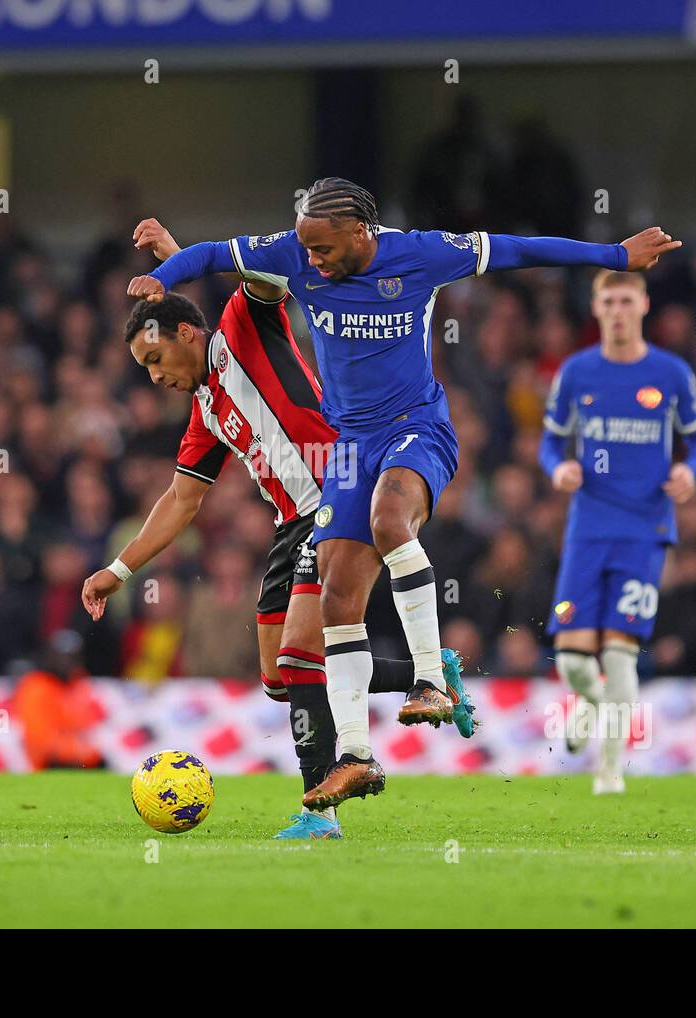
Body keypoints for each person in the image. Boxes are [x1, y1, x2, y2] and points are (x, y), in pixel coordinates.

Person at [126, 178, 679, 808]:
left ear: (362, 233)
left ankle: (429, 680)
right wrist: (164, 273)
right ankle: (358, 757)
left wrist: (613, 257)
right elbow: (211, 257)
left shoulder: (420, 254)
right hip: (350, 447)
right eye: (306, 249)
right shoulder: (296, 251)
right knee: (336, 597)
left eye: (325, 249)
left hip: (416, 428)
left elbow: (516, 249)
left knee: (392, 520)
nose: (313, 261)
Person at [84, 218, 474, 839]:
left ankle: (321, 814)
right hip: (292, 523)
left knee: (299, 655)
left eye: (155, 358)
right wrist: (118, 569)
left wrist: (175, 260)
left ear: (187, 332)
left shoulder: (243, 327)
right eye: (144, 368)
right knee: (277, 677)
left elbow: (258, 273)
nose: (154, 376)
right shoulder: (206, 411)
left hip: (337, 496)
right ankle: (428, 672)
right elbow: (181, 500)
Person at [541, 270, 696, 794]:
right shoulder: (575, 373)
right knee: (572, 662)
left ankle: (609, 772)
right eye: (608, 301)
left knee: (618, 655)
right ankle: (590, 707)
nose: (617, 309)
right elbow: (550, 444)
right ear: (596, 308)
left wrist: (689, 472)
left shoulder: (671, 373)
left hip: (645, 529)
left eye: (625, 300)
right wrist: (558, 470)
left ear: (643, 304)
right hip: (587, 529)